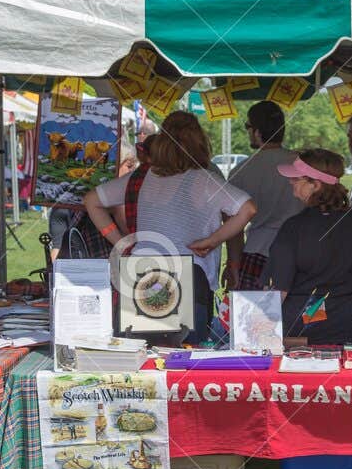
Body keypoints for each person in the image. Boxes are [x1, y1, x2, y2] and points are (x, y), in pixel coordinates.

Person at [84, 111, 255, 342]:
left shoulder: (140, 177)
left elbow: (92, 201)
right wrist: (212, 241)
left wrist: (122, 243)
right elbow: (248, 209)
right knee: (188, 357)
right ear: (200, 143)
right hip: (191, 280)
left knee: (144, 355)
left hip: (144, 276)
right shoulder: (205, 180)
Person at [266, 149, 352, 345]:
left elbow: (279, 290)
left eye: (297, 179)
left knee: (303, 376)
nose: (291, 182)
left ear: (315, 184)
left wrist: (254, 328)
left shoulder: (293, 227)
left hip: (303, 330)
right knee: (349, 375)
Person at [224, 101, 303, 290]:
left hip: (256, 252)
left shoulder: (240, 171)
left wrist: (233, 263)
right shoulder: (303, 165)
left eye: (247, 127)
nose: (247, 131)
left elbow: (233, 228)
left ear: (258, 132)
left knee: (258, 319)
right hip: (300, 253)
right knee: (300, 317)